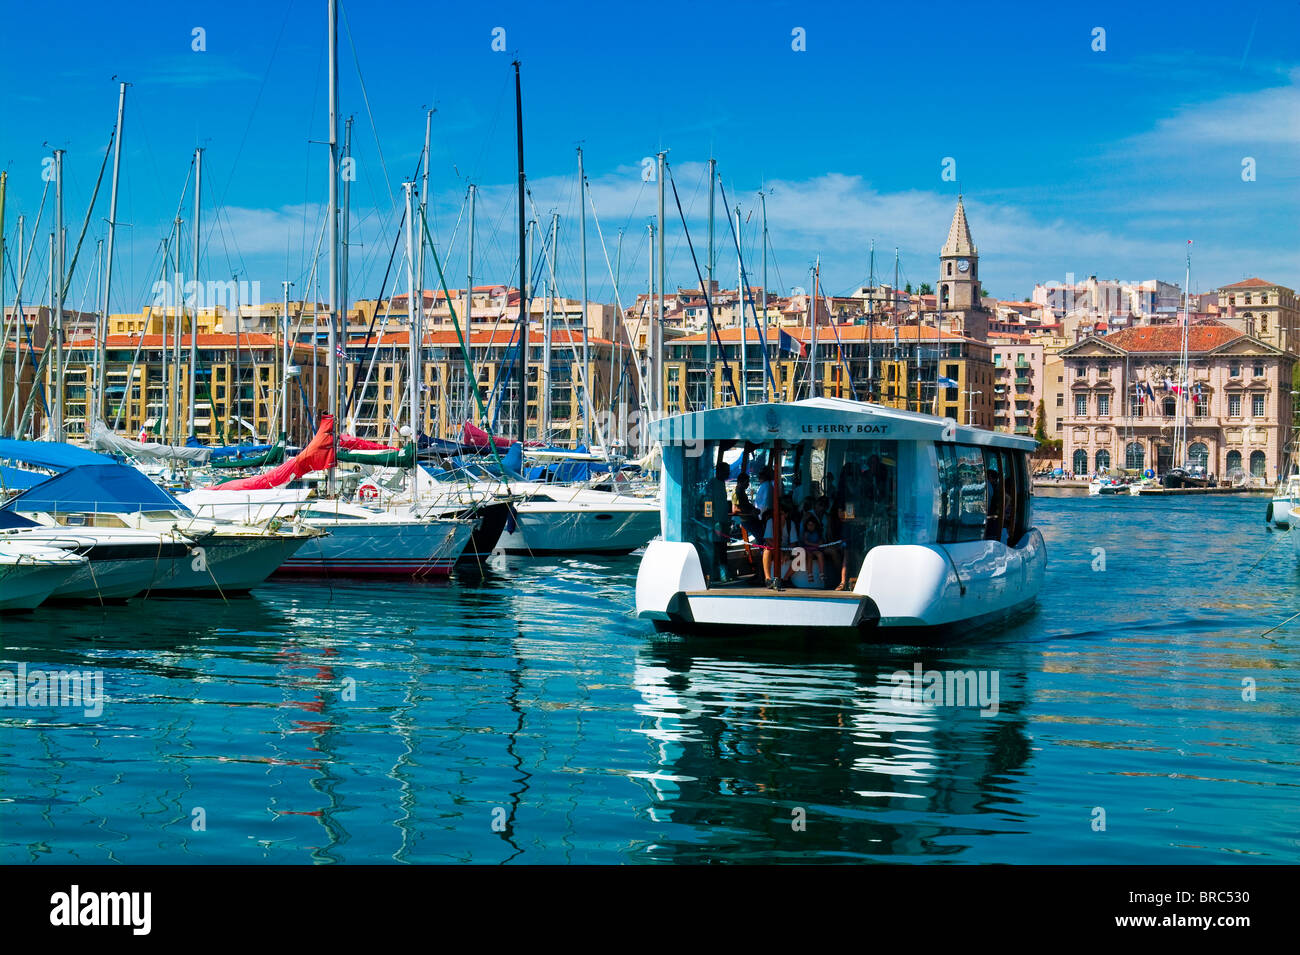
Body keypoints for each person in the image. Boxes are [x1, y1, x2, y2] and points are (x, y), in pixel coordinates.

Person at [708, 462, 731, 580]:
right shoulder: (713, 484)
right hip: (717, 523)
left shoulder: (721, 483)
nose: (729, 473)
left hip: (724, 521)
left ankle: (723, 574)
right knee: (719, 549)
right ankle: (721, 575)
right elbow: (708, 504)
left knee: (723, 548)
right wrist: (713, 521)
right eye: (727, 471)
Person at [799, 511, 826, 586]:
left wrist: (819, 543)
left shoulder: (817, 532)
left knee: (820, 554)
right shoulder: (806, 533)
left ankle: (821, 573)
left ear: (815, 525)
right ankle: (810, 574)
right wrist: (815, 545)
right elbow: (806, 542)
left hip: (816, 549)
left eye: (812, 525)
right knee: (809, 556)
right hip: (807, 549)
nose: (810, 526)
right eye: (809, 525)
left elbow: (821, 540)